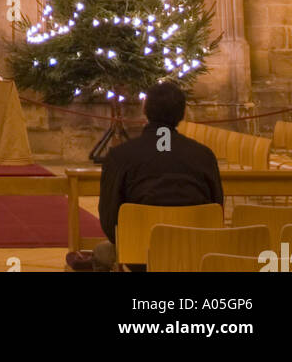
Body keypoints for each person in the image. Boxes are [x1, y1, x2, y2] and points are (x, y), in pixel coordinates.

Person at [66, 82, 223, 272]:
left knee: (101, 252)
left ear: (145, 109)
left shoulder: (120, 156)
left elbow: (108, 217)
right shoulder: (204, 156)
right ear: (182, 113)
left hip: (139, 256)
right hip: (195, 252)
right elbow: (217, 207)